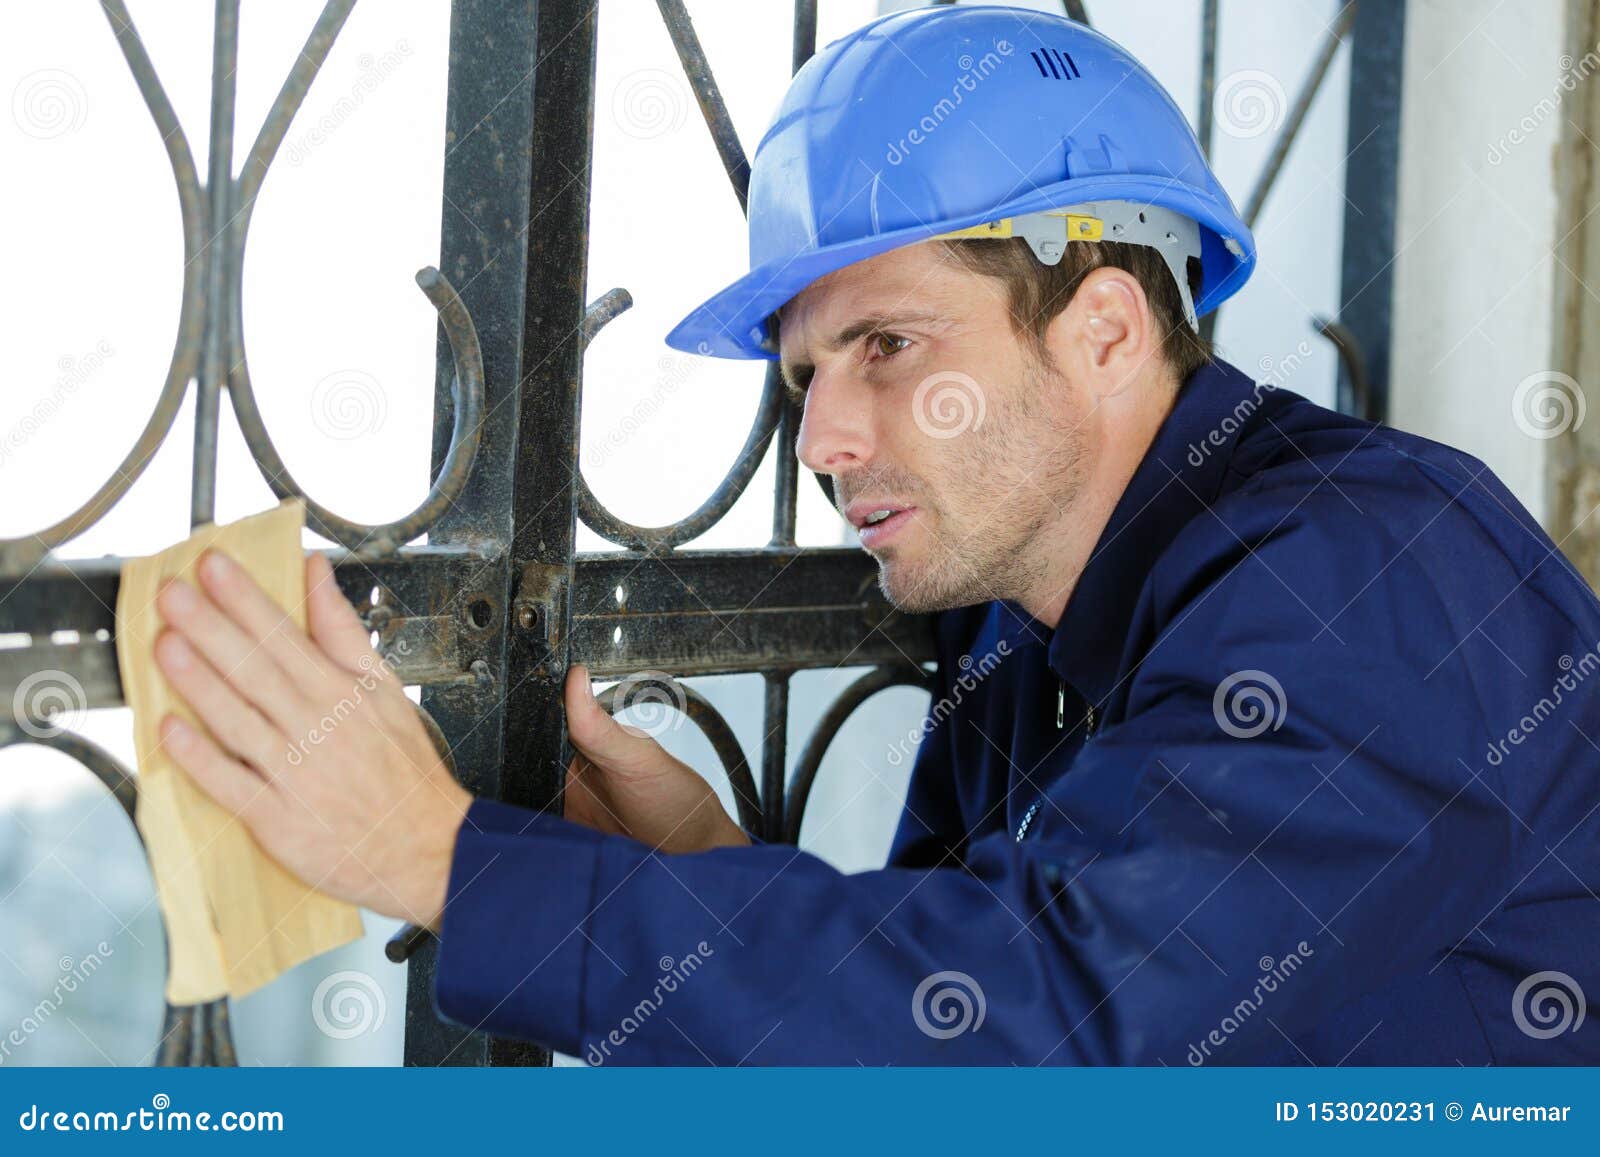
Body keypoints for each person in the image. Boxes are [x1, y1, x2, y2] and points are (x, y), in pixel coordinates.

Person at [151, 5, 1600, 1064]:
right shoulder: (1027, 636)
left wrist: (443, 858)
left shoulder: (1379, 575)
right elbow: (947, 1017)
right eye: (803, 375)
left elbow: (1040, 1037)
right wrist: (707, 858)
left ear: (1102, 328)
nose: (825, 438)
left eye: (889, 346)